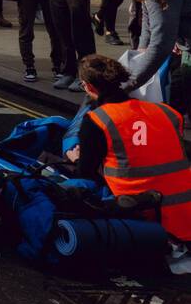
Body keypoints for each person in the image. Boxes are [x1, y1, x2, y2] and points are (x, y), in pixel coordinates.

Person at [68, 54, 191, 269]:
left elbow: (85, 175)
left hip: (147, 216)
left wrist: (76, 158)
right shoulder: (168, 113)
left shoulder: (98, 120)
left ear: (89, 87)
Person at [91, 0, 191, 109]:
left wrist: (124, 88)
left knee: (179, 97)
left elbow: (160, 47)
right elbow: (147, 16)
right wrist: (142, 48)